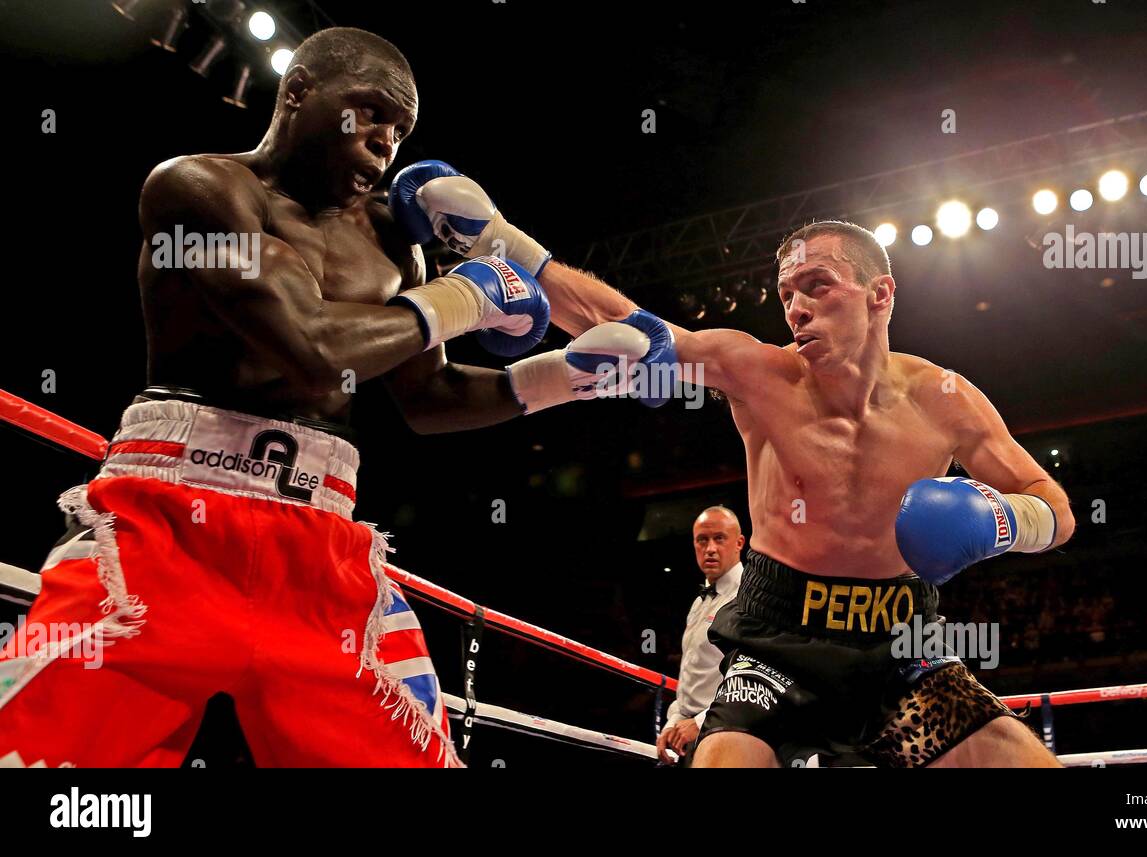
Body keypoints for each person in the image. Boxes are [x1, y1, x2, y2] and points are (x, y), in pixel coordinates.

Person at [0, 28, 667, 768]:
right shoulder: (196, 188)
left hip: (319, 547)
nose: (385, 141)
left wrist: (565, 376)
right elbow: (310, 348)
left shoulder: (392, 244)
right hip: (166, 525)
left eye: (401, 129)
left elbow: (428, 395)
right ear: (298, 92)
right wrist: (465, 294)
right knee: (47, 768)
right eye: (371, 113)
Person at [397, 168, 1076, 767]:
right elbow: (631, 331)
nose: (798, 306)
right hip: (779, 644)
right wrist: (500, 238)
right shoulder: (760, 373)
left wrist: (1003, 519)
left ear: (880, 294)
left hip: (902, 649)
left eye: (818, 286)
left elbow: (1055, 505)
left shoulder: (944, 398)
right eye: (787, 294)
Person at [657, 506, 745, 765]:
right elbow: (690, 679)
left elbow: (752, 676)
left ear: (739, 543)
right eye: (702, 540)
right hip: (693, 737)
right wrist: (673, 722)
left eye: (720, 538)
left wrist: (700, 721)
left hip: (729, 733)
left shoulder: (748, 599)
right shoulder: (699, 603)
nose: (710, 548)